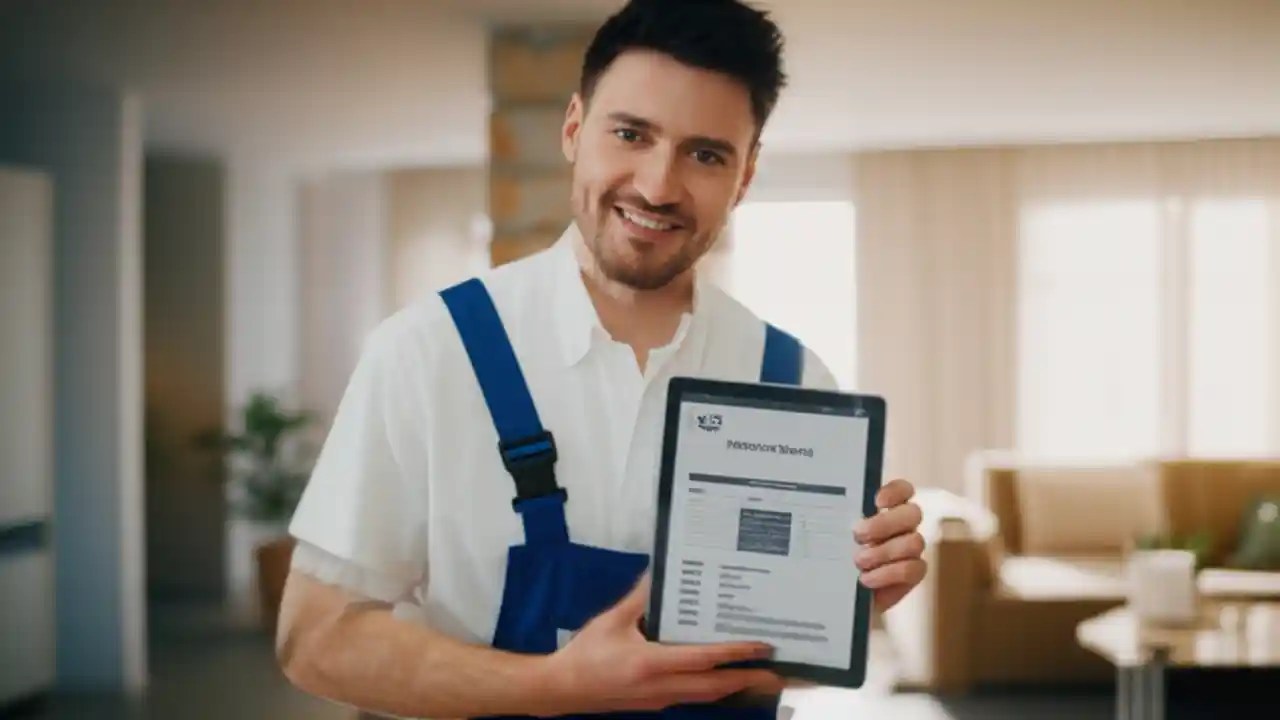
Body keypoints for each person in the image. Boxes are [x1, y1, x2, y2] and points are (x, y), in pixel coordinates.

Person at [276, 0, 927, 717]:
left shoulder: (794, 380)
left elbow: (776, 671)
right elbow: (315, 637)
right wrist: (554, 687)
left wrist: (839, 614)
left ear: (744, 177)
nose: (657, 186)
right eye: (631, 134)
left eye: (706, 155)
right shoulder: (427, 352)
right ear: (573, 129)